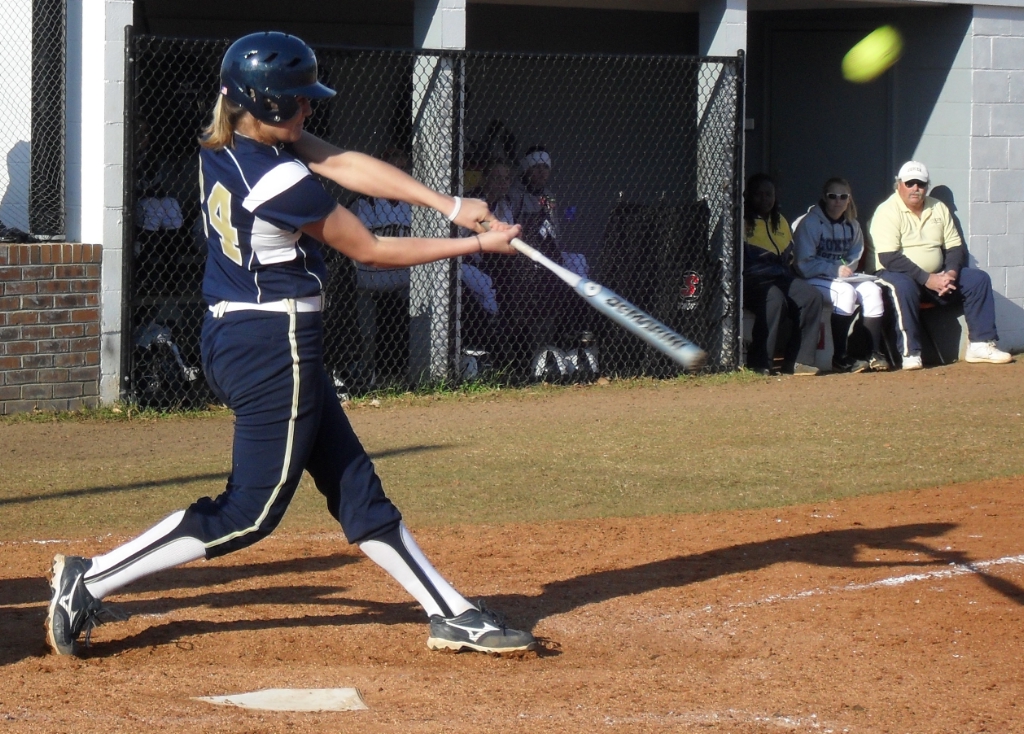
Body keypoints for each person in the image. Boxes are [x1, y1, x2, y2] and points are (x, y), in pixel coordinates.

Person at [44, 31, 535, 658]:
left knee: (353, 483)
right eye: (300, 103)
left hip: (241, 335)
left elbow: (342, 161)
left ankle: (450, 611)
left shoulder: (228, 143)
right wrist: (475, 245)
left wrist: (449, 203)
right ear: (269, 107)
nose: (309, 111)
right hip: (275, 345)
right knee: (250, 511)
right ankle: (91, 579)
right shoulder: (277, 181)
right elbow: (373, 250)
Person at [868, 161, 1011, 370]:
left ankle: (980, 344)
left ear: (926, 186)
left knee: (978, 280)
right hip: (894, 275)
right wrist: (928, 279)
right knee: (903, 286)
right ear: (899, 184)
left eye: (921, 183)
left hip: (936, 277)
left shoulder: (938, 207)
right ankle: (910, 353)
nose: (915, 188)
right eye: (910, 183)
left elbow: (955, 247)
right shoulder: (887, 211)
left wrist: (950, 274)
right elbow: (889, 257)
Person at [793, 177, 889, 373]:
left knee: (872, 291)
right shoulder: (811, 222)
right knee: (845, 293)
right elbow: (803, 264)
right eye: (832, 196)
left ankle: (873, 353)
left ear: (849, 199)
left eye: (843, 196)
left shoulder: (852, 225)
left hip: (839, 276)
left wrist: (844, 268)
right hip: (812, 276)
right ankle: (840, 356)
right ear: (824, 198)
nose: (838, 201)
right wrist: (833, 269)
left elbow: (854, 255)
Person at [742, 173, 824, 376]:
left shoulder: (780, 222)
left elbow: (789, 256)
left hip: (780, 277)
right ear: (749, 196)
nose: (764, 199)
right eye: (758, 195)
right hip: (753, 281)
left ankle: (799, 361)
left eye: (769, 195)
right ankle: (760, 363)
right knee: (774, 299)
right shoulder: (742, 221)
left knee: (811, 296)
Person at [349, 146, 414, 387]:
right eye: (393, 167)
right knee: (367, 332)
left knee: (412, 321)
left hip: (403, 284)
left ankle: (406, 377)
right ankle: (367, 378)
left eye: (403, 168)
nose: (398, 172)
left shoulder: (413, 205)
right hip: (368, 284)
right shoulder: (365, 203)